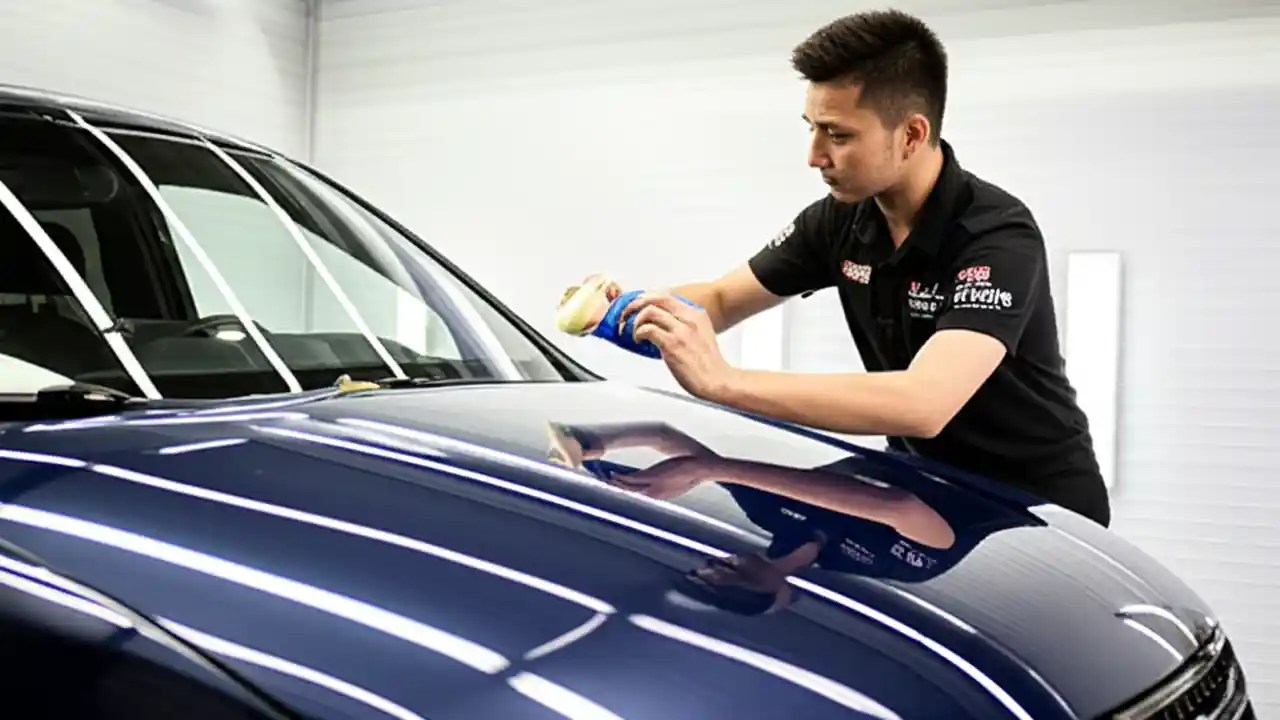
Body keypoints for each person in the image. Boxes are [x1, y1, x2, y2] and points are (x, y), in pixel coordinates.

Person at [561, 9, 1111, 527]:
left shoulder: (995, 234)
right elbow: (725, 299)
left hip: (1039, 506)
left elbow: (924, 403)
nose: (814, 155)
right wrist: (623, 311)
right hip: (924, 487)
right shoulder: (839, 221)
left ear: (912, 135)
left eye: (839, 135)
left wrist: (724, 383)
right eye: (812, 127)